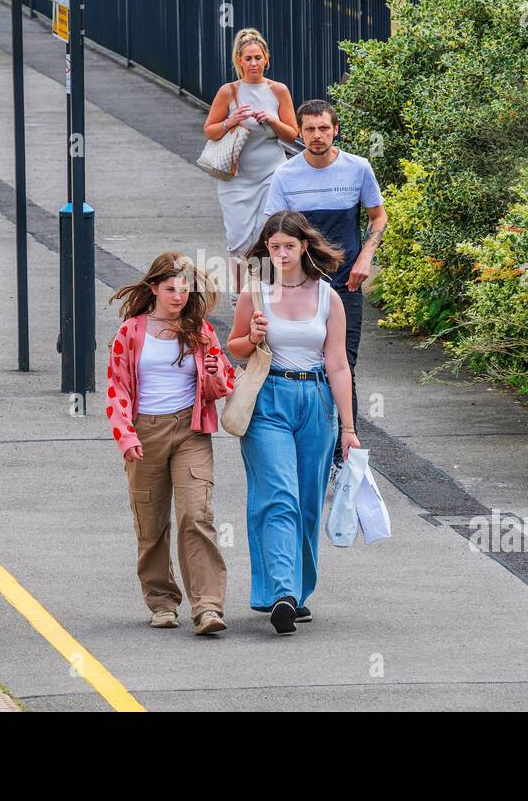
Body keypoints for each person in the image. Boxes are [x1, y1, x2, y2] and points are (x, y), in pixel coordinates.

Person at [226, 211, 361, 635]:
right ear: (266, 249)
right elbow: (235, 348)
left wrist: (349, 429)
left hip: (316, 401)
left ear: (304, 245)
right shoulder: (256, 294)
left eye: (288, 245)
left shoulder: (328, 298)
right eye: (273, 246)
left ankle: (297, 593)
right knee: (278, 496)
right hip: (268, 398)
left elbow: (338, 365)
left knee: (306, 501)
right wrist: (253, 337)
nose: (281, 254)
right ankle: (282, 590)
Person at [107, 253, 234, 635]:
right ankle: (162, 602)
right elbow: (116, 388)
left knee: (196, 515)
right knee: (151, 523)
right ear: (153, 289)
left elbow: (223, 385)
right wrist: (125, 435)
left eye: (184, 290)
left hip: (190, 431)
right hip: (144, 432)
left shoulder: (200, 330)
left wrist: (213, 373)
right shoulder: (131, 331)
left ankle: (208, 606)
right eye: (170, 289)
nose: (178, 297)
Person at [263, 99, 386, 470]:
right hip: (302, 283)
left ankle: (341, 456)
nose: (317, 136)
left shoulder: (358, 169)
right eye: (310, 129)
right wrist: (271, 283)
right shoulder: (286, 175)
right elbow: (275, 232)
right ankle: (306, 441)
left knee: (342, 363)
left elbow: (378, 216)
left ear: (335, 130)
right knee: (301, 360)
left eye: (324, 129)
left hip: (346, 283)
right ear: (299, 133)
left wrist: (366, 257)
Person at [203, 28, 299, 303]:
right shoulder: (229, 92)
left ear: (266, 59)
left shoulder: (278, 90)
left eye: (258, 57)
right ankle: (238, 293)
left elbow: (292, 134)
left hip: (271, 173)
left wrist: (271, 119)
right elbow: (210, 130)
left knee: (267, 234)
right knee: (238, 239)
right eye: (248, 58)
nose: (254, 63)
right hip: (236, 178)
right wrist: (231, 121)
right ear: (239, 60)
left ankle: (266, 292)